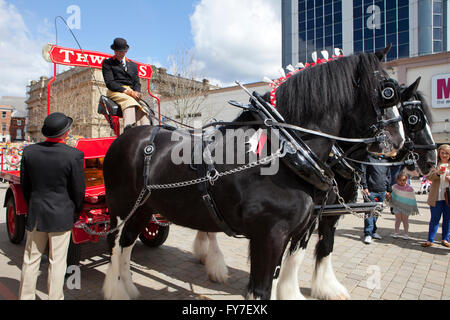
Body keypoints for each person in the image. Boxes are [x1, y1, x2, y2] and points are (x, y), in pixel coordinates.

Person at [18, 112, 86, 300]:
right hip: (61, 215)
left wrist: (34, 205)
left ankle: (25, 297)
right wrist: (75, 211)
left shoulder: (29, 152)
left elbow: (25, 186)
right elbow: (78, 190)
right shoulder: (74, 155)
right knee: (57, 262)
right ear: (66, 133)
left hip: (37, 214)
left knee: (30, 260)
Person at [102, 37, 150, 129]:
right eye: (117, 51)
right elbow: (110, 83)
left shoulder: (133, 65)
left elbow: (137, 83)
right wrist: (127, 92)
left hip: (131, 91)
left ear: (126, 51)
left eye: (121, 51)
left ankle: (145, 132)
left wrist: (137, 92)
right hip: (116, 91)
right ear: (114, 51)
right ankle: (129, 133)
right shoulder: (108, 63)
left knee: (144, 108)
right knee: (130, 103)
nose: (119, 53)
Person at [421, 144, 450, 248]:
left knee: (447, 219)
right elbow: (428, 176)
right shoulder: (434, 164)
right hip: (436, 197)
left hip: (448, 196)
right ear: (439, 153)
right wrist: (437, 173)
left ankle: (445, 239)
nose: (444, 155)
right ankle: (430, 240)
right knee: (434, 219)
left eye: (447, 153)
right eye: (442, 152)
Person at [360, 154, 392, 244]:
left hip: (382, 191)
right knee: (369, 212)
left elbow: (389, 176)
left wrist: (389, 190)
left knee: (376, 213)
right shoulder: (368, 158)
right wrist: (365, 187)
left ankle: (373, 231)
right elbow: (363, 173)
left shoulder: (386, 161)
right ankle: (368, 234)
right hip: (370, 191)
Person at [389, 171, 419, 240]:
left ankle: (406, 233)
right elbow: (392, 196)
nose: (402, 182)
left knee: (405, 220)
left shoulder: (410, 188)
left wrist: (411, 207)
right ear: (397, 180)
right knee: (398, 220)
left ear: (407, 180)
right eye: (400, 180)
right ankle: (396, 232)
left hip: (406, 207)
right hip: (397, 206)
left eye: (404, 180)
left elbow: (412, 199)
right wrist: (390, 199)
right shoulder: (394, 187)